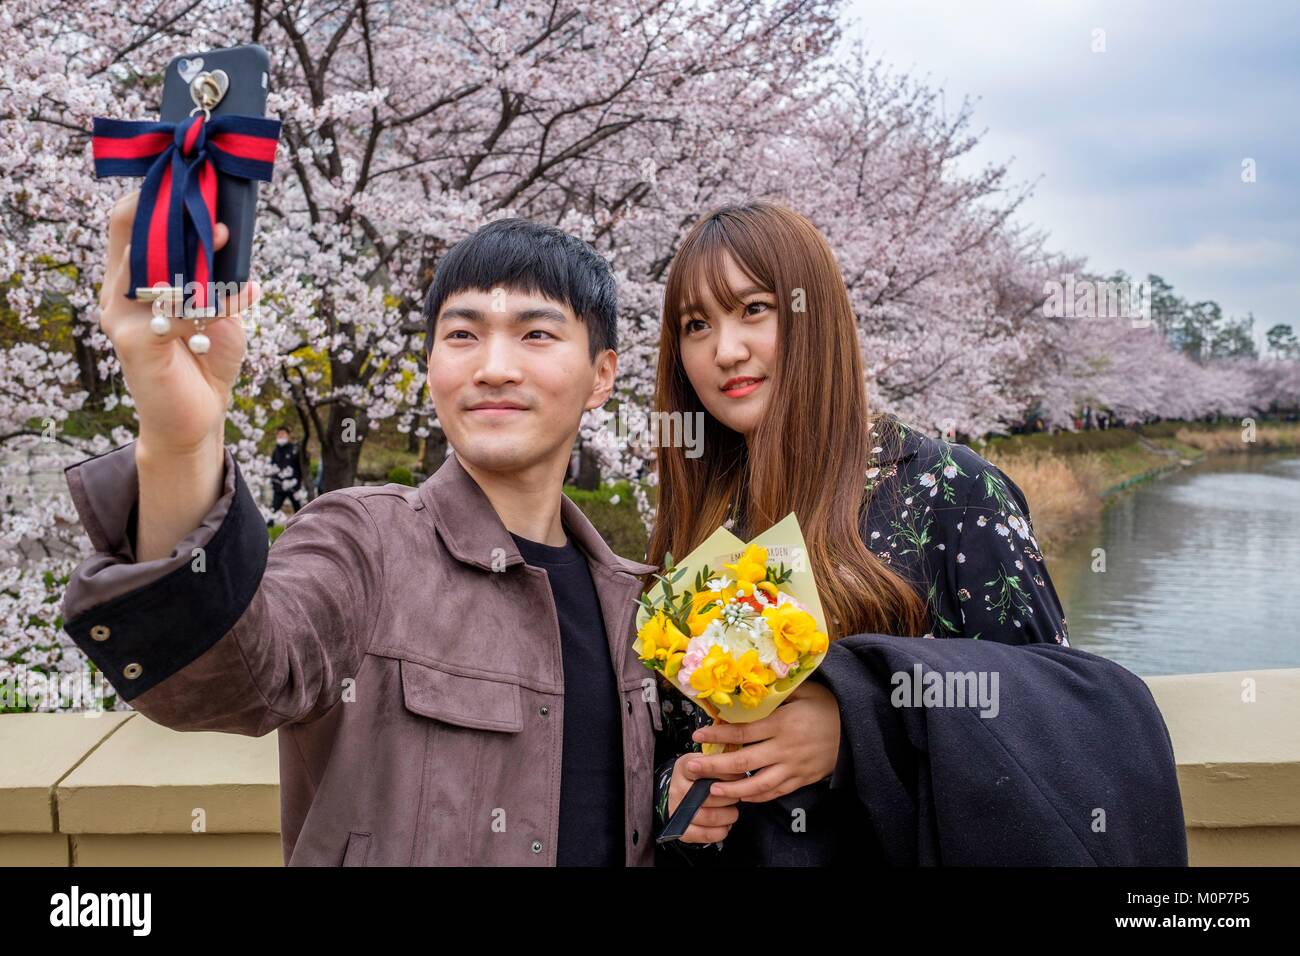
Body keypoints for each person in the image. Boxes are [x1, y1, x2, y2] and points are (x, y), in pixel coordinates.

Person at [59, 192, 659, 866]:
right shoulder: (364, 547)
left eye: (536, 334)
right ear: (431, 366)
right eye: (462, 334)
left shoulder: (639, 610)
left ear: (602, 375)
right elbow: (224, 674)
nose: (494, 366)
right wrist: (179, 442)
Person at [645, 200, 1186, 865]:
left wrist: (858, 726)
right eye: (696, 325)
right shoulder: (699, 523)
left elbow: (1055, 724)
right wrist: (677, 793)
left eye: (755, 309)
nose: (725, 350)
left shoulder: (950, 490)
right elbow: (665, 738)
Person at [267, 425, 304, 525]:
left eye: (283, 434)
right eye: (279, 434)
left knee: (299, 510)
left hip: (293, 486)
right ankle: (268, 530)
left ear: (288, 435)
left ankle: (301, 527)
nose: (280, 436)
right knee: (274, 510)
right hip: (279, 487)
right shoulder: (276, 451)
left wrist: (299, 482)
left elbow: (300, 467)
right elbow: (272, 467)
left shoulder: (295, 449)